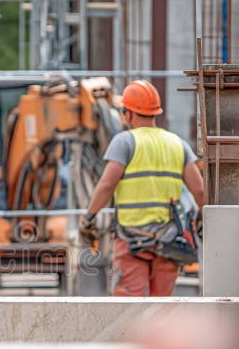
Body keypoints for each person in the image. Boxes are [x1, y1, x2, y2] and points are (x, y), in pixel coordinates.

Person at [79, 80, 205, 296]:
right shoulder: (177, 143)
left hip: (133, 240)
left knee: (128, 307)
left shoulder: (124, 142)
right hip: (170, 241)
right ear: (155, 112)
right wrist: (203, 217)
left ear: (128, 114)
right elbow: (200, 191)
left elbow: (107, 184)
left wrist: (89, 217)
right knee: (161, 309)